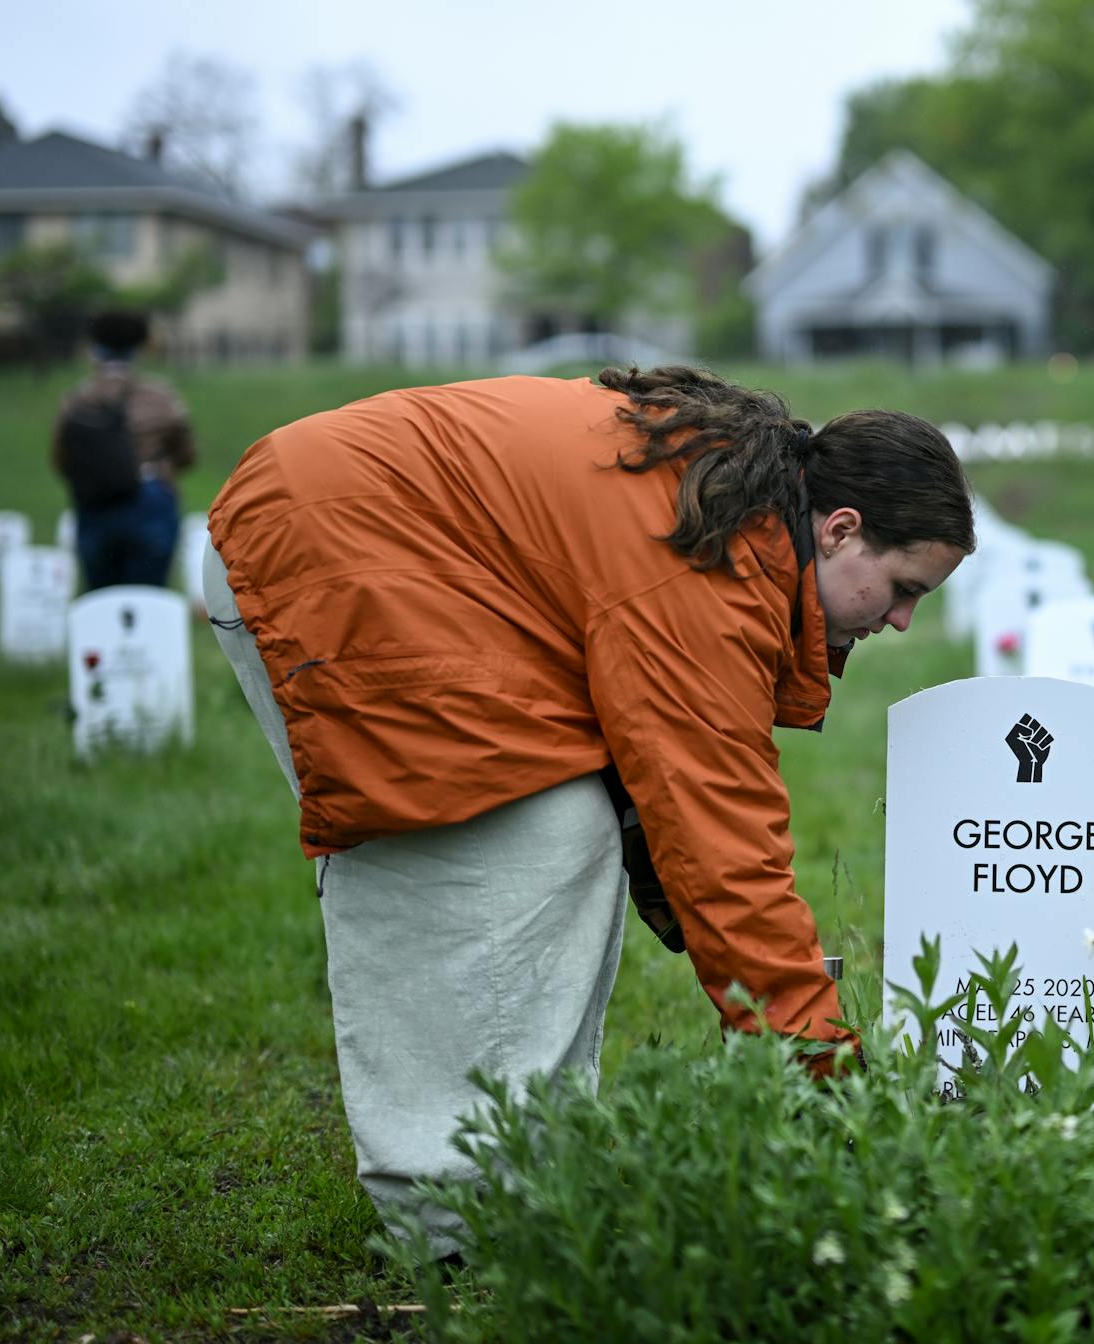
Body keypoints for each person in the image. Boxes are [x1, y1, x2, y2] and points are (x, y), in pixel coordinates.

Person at [201, 365, 972, 1253]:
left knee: (563, 831)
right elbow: (724, 855)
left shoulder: (734, 511)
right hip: (333, 552)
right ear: (840, 530)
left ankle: (531, 1172)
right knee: (502, 849)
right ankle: (457, 1219)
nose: (906, 620)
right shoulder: (711, 575)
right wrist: (828, 1080)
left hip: (382, 545)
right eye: (906, 587)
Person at [50, 308, 195, 589]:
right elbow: (187, 454)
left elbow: (61, 460)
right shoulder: (162, 397)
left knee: (101, 601)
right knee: (147, 600)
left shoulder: (76, 399)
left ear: (94, 347)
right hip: (151, 498)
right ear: (139, 347)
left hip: (96, 502)